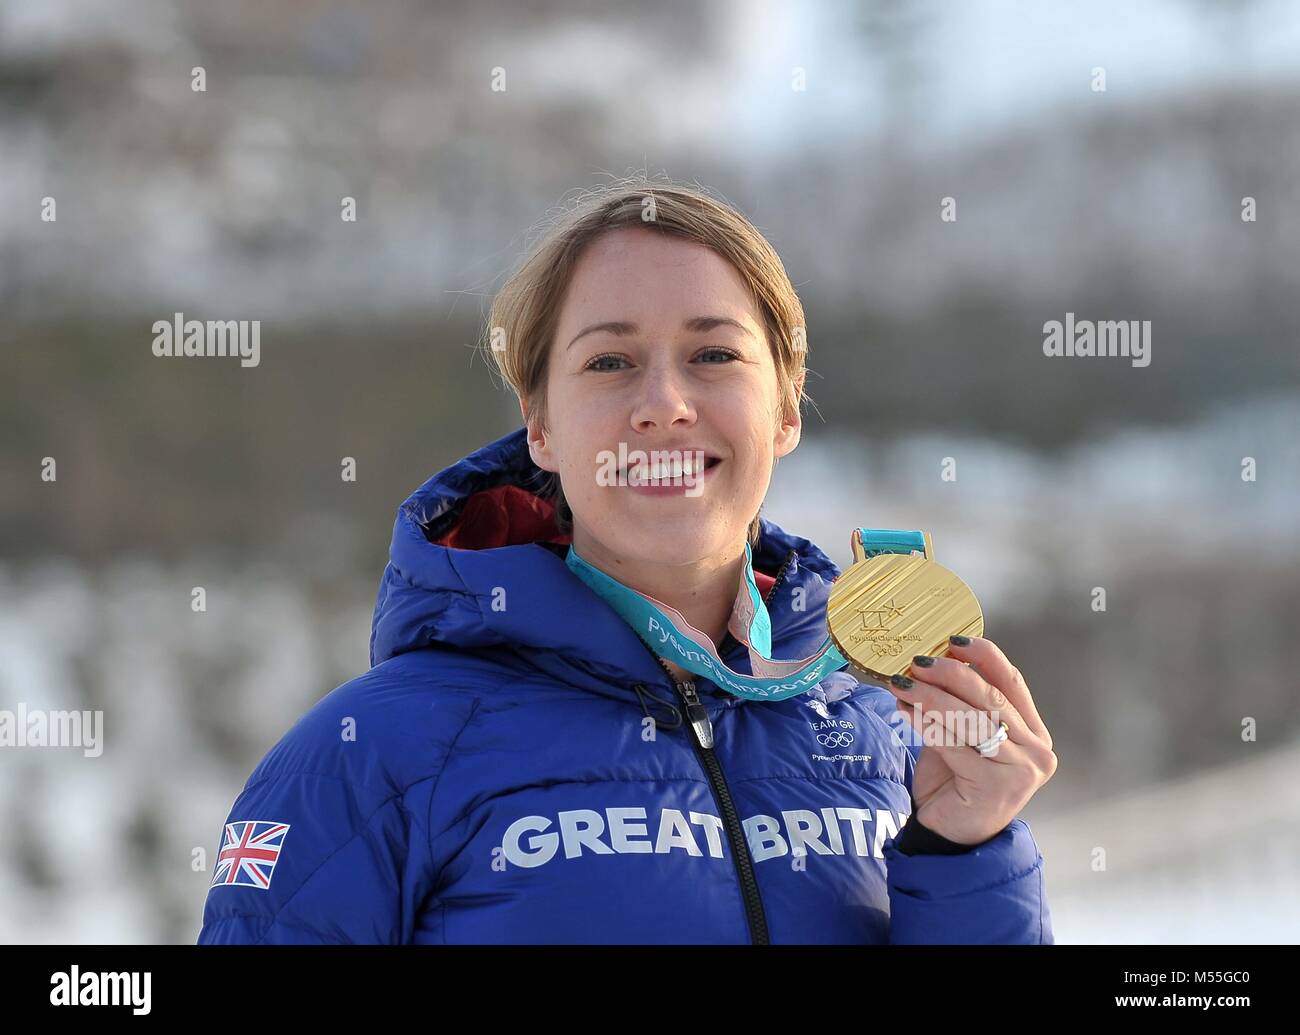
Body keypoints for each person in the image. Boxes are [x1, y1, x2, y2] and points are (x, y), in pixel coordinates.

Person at [197, 180, 1057, 944]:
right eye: (609, 362)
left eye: (712, 354)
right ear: (541, 425)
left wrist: (964, 848)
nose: (664, 406)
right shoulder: (367, 756)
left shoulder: (889, 725)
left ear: (787, 408)